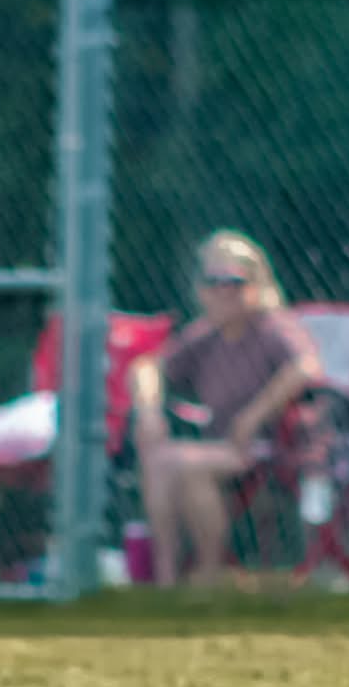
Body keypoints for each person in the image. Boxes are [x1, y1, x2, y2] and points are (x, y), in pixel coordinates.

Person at [128, 230, 320, 587]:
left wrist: (254, 415)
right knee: (160, 458)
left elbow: (305, 367)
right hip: (219, 446)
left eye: (234, 281)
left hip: (272, 447)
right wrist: (149, 412)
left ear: (257, 283)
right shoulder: (207, 334)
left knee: (182, 464)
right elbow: (147, 368)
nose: (223, 291)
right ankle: (166, 578)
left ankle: (208, 572)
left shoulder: (273, 328)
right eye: (212, 282)